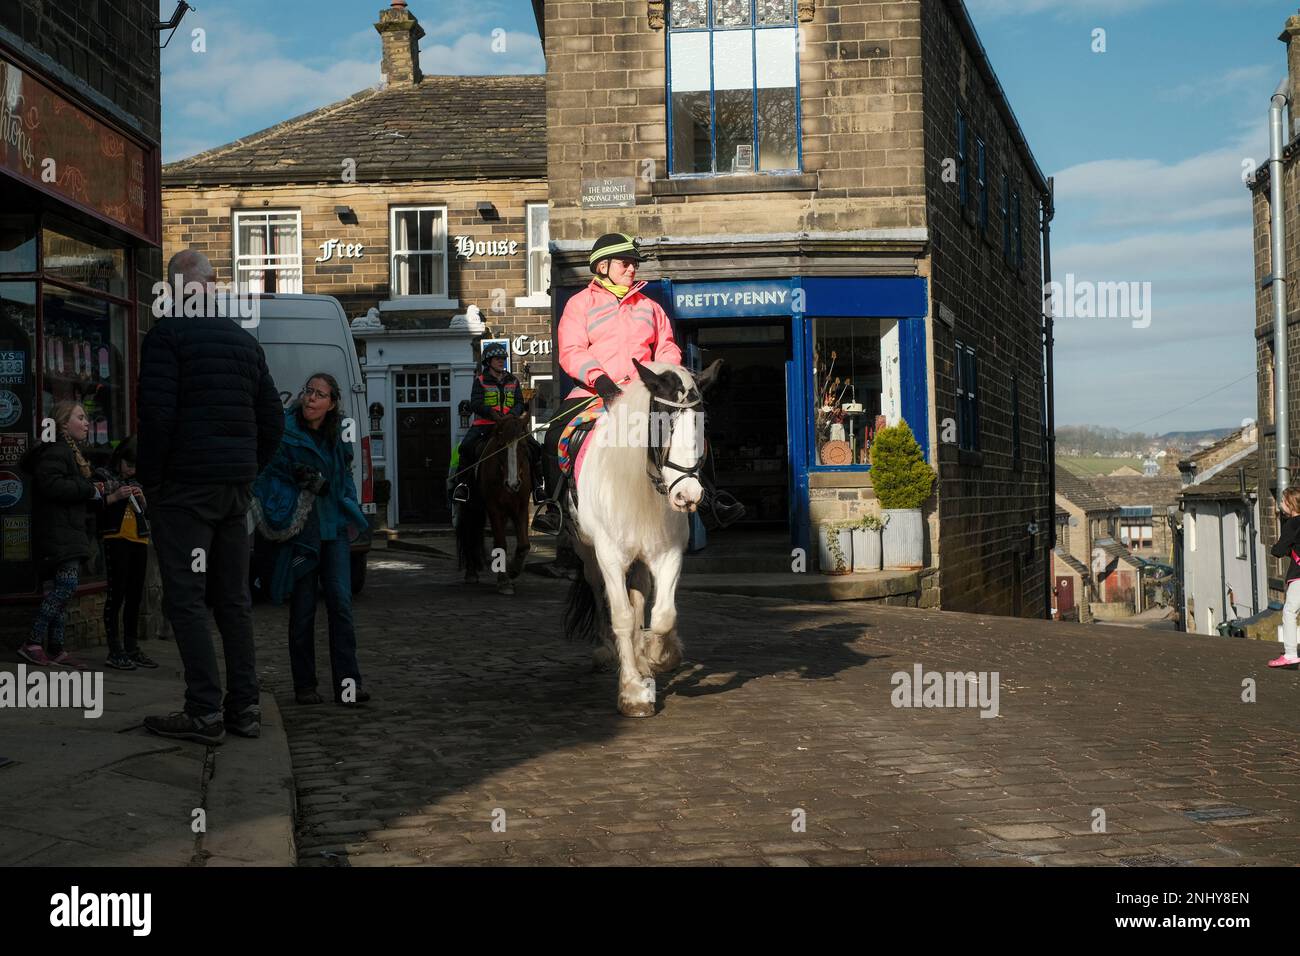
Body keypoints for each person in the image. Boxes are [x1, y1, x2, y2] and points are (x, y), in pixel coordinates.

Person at [137, 248, 285, 744]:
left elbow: (156, 418)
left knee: (187, 599)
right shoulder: (244, 342)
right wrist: (247, 469)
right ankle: (244, 709)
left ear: (178, 287)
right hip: (233, 491)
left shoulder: (166, 337)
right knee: (233, 601)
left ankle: (203, 712)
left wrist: (153, 481)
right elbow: (274, 422)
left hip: (184, 491)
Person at [532, 233, 744, 535]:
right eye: (625, 263)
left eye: (634, 263)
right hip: (594, 392)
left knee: (692, 429)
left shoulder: (651, 307)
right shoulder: (580, 305)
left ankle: (711, 500)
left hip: (645, 393)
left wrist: (669, 375)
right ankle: (554, 508)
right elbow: (571, 350)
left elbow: (667, 347)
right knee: (554, 435)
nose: (632, 268)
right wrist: (601, 380)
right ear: (602, 266)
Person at [252, 374, 370, 705]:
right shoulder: (284, 432)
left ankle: (349, 685)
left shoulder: (338, 436)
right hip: (302, 535)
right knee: (303, 610)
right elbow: (264, 477)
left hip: (333, 531)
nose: (310, 399)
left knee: (341, 606)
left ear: (332, 403)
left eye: (319, 395)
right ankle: (304, 686)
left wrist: (334, 493)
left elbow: (344, 480)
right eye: (308, 391)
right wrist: (295, 478)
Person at [19, 402, 138, 669]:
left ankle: (57, 648)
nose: (86, 423)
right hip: (57, 531)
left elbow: (72, 490)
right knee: (66, 587)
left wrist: (104, 492)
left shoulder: (66, 452)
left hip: (65, 530)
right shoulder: (57, 450)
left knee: (60, 588)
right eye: (80, 417)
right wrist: (87, 487)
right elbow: (52, 485)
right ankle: (33, 641)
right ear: (63, 423)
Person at [451, 342, 543, 504]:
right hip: (485, 425)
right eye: (497, 359)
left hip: (510, 425)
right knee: (466, 447)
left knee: (534, 447)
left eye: (503, 358)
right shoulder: (480, 380)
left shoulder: (513, 380)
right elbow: (476, 403)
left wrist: (511, 416)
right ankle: (463, 484)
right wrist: (493, 414)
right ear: (488, 361)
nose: (501, 361)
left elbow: (519, 403)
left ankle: (537, 487)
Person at [96, 436, 157, 671]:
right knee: (117, 594)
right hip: (115, 537)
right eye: (128, 465)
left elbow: (148, 514)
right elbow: (92, 504)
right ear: (119, 459)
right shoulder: (102, 476)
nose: (131, 470)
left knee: (135, 595)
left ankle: (132, 647)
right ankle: (115, 650)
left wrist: (142, 501)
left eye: (135, 466)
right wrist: (114, 496)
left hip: (139, 538)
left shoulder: (140, 482)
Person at [1269, 486, 1300, 668]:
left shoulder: (1293, 524)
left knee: (1289, 612)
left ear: (1290, 503)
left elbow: (1279, 551)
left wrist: (1279, 548)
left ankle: (1289, 654)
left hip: (1298, 577)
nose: (1280, 504)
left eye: (1282, 501)